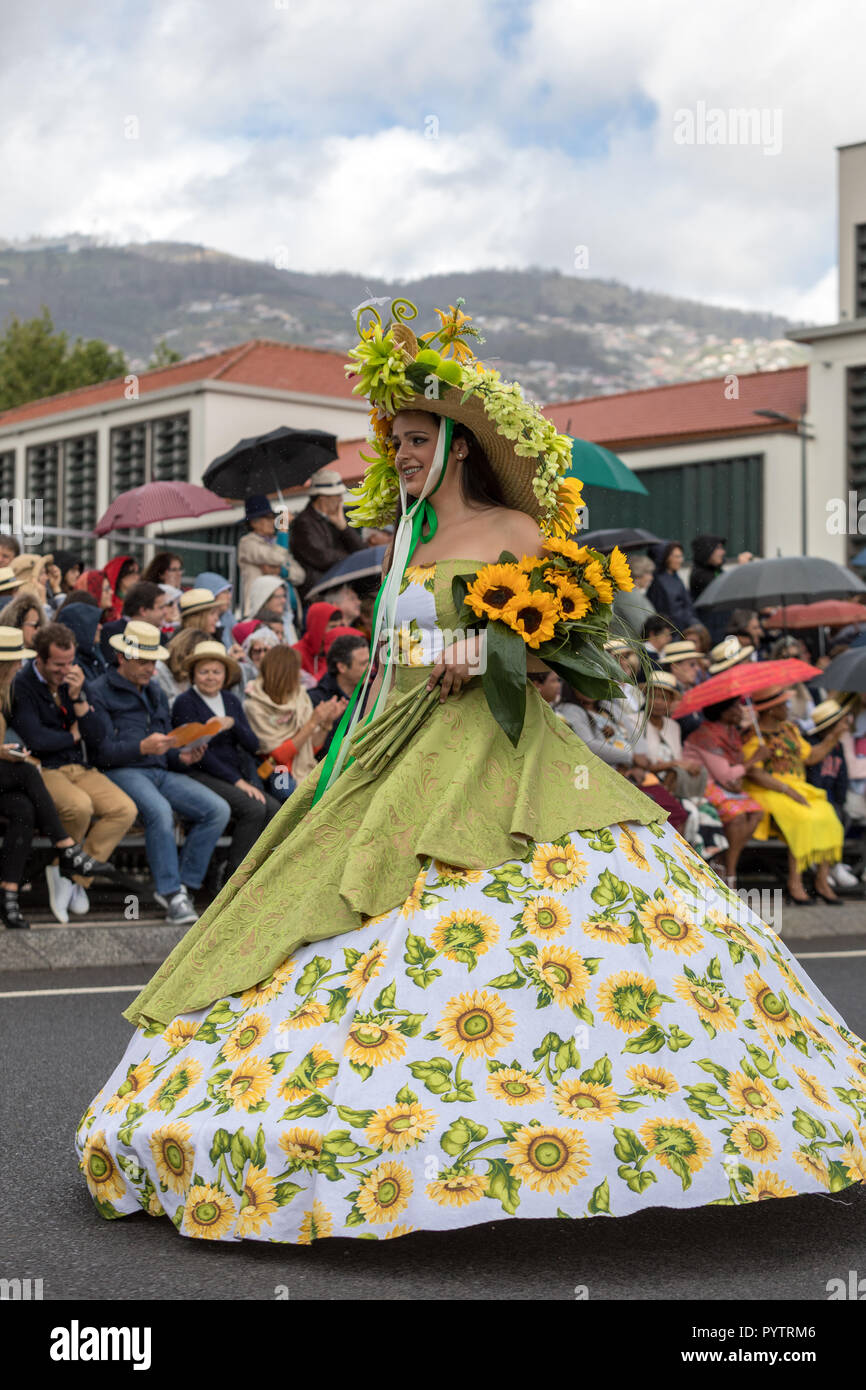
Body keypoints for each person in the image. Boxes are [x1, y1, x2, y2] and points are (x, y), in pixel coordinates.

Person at [76, 296, 866, 1245]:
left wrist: (498, 655)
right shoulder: (400, 541)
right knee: (325, 909)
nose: (398, 456)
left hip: (501, 746)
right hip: (396, 744)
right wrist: (349, 727)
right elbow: (382, 664)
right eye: (391, 443)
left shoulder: (519, 534)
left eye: (412, 439)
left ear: (455, 443)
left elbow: (561, 658)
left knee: (533, 928)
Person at [89, 621, 231, 925]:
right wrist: (142, 747)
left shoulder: (153, 690)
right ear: (121, 658)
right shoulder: (99, 690)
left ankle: (183, 887)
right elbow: (102, 753)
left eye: (153, 662)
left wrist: (185, 757)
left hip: (157, 770)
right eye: (142, 661)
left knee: (217, 809)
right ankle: (171, 893)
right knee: (160, 811)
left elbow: (166, 746)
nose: (150, 668)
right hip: (122, 771)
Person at [10, 622, 136, 922]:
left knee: (124, 809)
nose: (64, 670)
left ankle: (72, 878)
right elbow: (37, 739)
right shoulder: (23, 684)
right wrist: (73, 736)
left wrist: (79, 698)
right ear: (39, 659)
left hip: (78, 766)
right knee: (79, 807)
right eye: (57, 664)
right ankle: (66, 870)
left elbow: (97, 736)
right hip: (43, 768)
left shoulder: (75, 680)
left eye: (69, 662)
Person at [171, 640, 280, 878]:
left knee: (274, 810)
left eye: (216, 672)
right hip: (201, 772)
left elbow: (252, 744)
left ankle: (262, 873)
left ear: (225, 674)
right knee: (253, 808)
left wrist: (233, 724)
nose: (210, 677)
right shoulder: (185, 702)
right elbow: (200, 754)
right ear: (193, 675)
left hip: (235, 773)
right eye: (204, 672)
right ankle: (234, 876)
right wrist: (237, 782)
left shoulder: (231, 701)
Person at [741, 685, 846, 904]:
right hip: (768, 790)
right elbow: (755, 774)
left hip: (797, 788)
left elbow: (810, 757)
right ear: (771, 710)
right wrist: (787, 790)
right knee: (803, 819)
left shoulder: (790, 729)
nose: (788, 707)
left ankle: (822, 880)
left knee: (828, 816)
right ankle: (795, 883)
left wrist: (833, 737)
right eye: (783, 704)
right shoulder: (753, 735)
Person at [683, 697, 769, 888]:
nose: (741, 711)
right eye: (736, 707)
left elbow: (733, 774)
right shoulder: (705, 736)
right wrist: (755, 759)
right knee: (736, 816)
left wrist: (737, 780)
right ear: (723, 712)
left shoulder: (732, 733)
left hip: (724, 785)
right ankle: (730, 871)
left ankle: (726, 862)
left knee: (756, 812)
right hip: (702, 784)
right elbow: (726, 775)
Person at [244, 645, 345, 801]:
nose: (300, 675)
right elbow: (278, 755)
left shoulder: (300, 697)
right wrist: (312, 723)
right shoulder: (254, 706)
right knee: (287, 793)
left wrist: (326, 723)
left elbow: (311, 747)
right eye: (296, 671)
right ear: (282, 674)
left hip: (302, 764)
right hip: (276, 768)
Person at [288, 468, 368, 600]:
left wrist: (343, 527)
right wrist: (352, 558)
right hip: (318, 593)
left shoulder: (335, 520)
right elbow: (322, 557)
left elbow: (362, 552)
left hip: (337, 588)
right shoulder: (303, 523)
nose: (341, 500)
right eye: (337, 496)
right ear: (322, 498)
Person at [309, 630, 370, 759]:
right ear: (342, 667)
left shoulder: (370, 693)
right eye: (363, 663)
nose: (370, 668)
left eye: (369, 662)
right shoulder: (317, 700)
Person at [237, 496, 298, 616]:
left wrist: (283, 571)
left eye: (273, 518)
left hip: (286, 611)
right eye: (267, 518)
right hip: (260, 609)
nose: (272, 522)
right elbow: (277, 558)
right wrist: (283, 529)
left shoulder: (278, 542)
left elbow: (300, 575)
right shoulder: (247, 543)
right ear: (254, 522)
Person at [100, 581, 169, 665]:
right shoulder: (110, 632)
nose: (166, 612)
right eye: (161, 608)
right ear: (143, 610)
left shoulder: (161, 637)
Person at [646, 541, 697, 635]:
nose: (681, 560)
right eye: (677, 556)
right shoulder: (659, 582)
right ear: (666, 558)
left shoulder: (675, 577)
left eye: (681, 556)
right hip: (672, 633)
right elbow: (667, 612)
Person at [292, 601, 343, 686]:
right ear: (318, 627)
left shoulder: (337, 650)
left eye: (340, 626)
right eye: (332, 627)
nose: (337, 631)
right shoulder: (295, 654)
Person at [611, 553, 655, 636]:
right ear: (638, 573)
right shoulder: (628, 595)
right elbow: (642, 627)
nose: (651, 577)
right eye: (648, 573)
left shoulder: (634, 593)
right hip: (629, 646)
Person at [194, 572, 235, 649]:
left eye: (229, 592)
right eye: (224, 592)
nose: (229, 596)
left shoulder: (228, 618)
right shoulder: (193, 636)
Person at [43, 550, 83, 615]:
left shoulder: (75, 594)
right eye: (73, 570)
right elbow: (67, 616)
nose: (78, 574)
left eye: (78, 570)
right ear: (62, 570)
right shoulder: (46, 593)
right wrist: (57, 589)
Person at [103, 555, 141, 621]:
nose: (137, 577)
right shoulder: (109, 603)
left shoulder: (140, 600)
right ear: (120, 576)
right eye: (132, 573)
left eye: (137, 573)